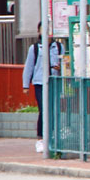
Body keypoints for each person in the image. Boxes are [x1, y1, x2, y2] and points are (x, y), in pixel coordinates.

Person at [22, 24, 62, 153]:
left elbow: (65, 63)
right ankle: (40, 139)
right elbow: (29, 67)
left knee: (54, 109)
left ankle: (52, 135)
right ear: (39, 31)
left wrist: (60, 68)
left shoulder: (59, 47)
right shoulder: (34, 48)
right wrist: (26, 85)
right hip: (39, 82)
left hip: (54, 82)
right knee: (43, 109)